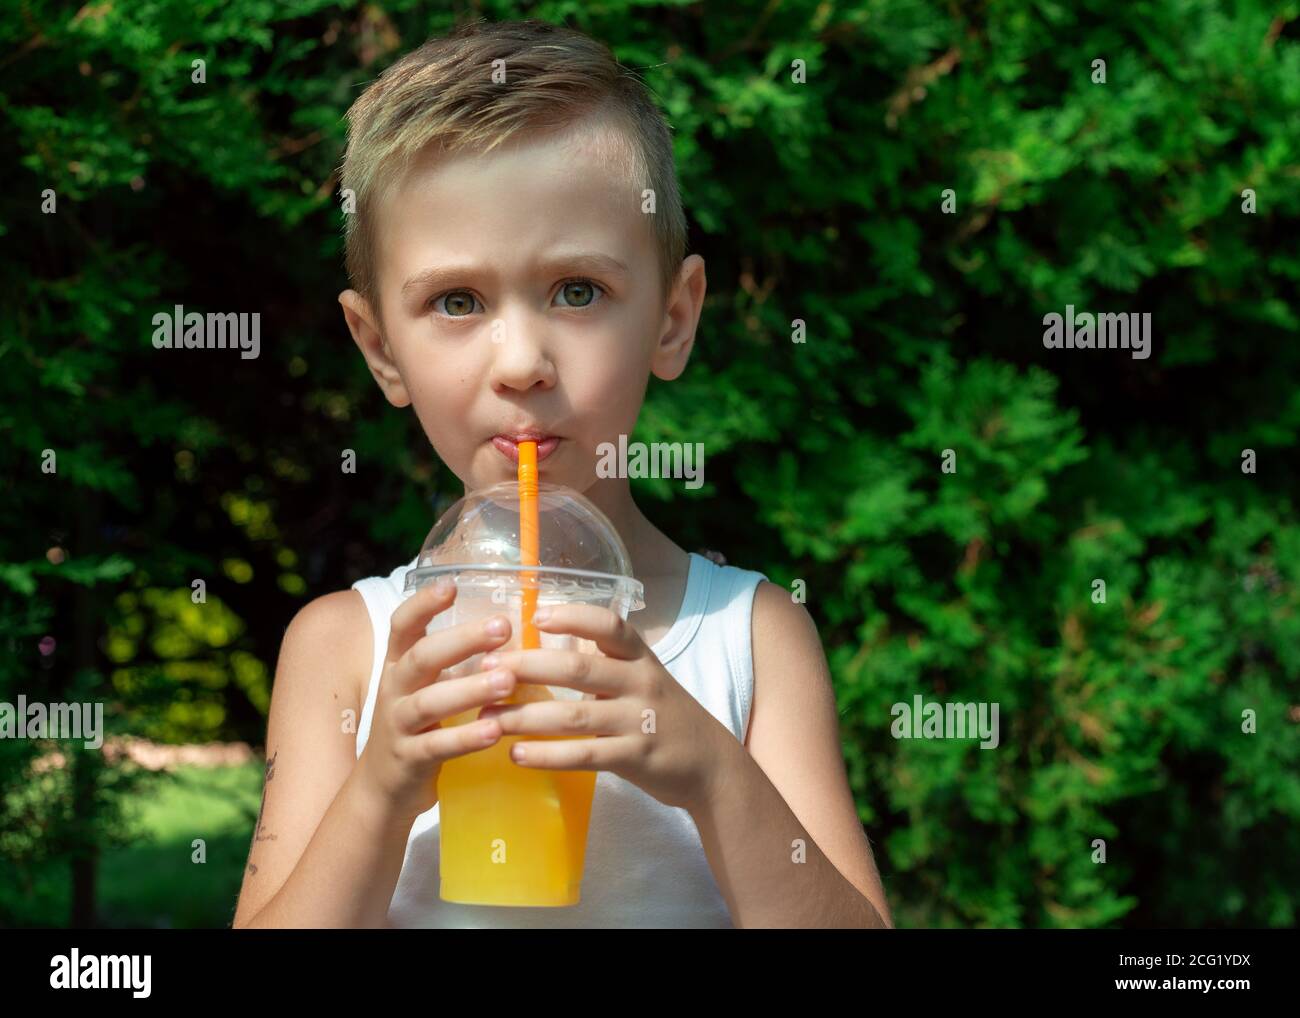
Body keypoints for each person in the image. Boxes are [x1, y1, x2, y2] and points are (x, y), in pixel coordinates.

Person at [231, 18, 891, 929]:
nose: (522, 363)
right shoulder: (346, 650)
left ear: (671, 318)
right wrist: (379, 789)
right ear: (380, 348)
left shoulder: (748, 639)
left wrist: (709, 770)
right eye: (456, 301)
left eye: (577, 291)